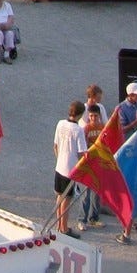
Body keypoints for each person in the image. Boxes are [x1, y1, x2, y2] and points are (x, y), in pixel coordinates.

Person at [53, 102, 87, 237]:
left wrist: (59, 159)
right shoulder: (78, 130)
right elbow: (81, 152)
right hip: (70, 169)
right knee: (66, 200)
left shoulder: (60, 124)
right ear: (80, 114)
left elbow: (55, 145)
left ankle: (58, 225)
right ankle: (64, 228)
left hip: (59, 166)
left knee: (59, 196)